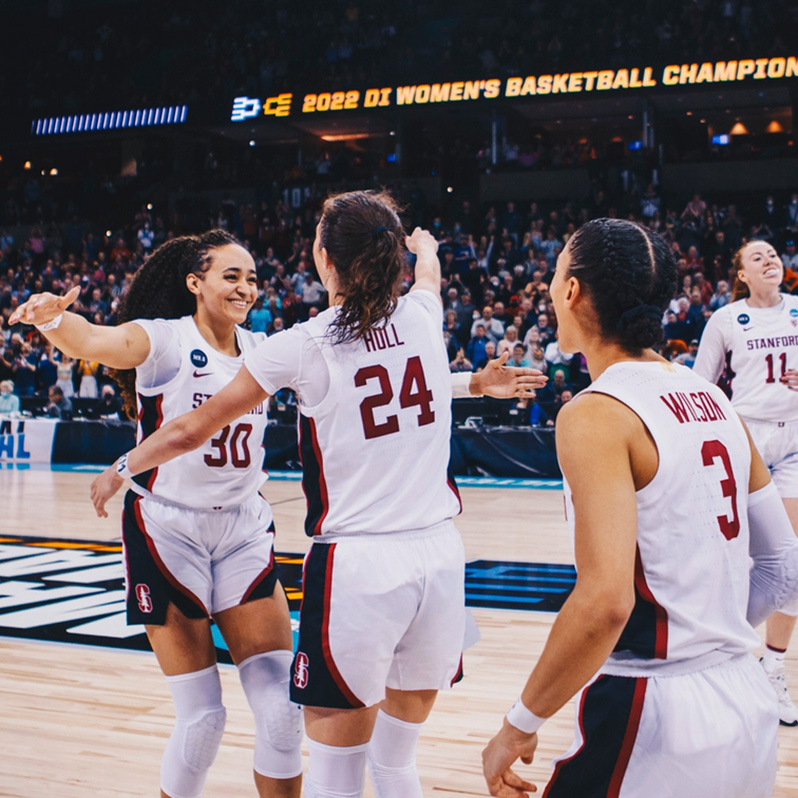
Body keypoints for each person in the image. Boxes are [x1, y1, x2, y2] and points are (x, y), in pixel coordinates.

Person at [86, 191, 543, 798]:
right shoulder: (424, 313)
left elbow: (194, 427)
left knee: (336, 768)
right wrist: (428, 255)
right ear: (393, 259)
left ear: (323, 259)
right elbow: (424, 299)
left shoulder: (302, 344)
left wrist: (123, 465)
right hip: (438, 557)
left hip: (359, 566)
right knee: (397, 761)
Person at [482, 218, 798, 798]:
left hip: (650, 710)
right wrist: (707, 631)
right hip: (743, 702)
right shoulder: (716, 400)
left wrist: (519, 723)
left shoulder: (595, 412)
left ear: (572, 291)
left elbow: (604, 603)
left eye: (555, 275)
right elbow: (785, 569)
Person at [10, 229, 305, 798]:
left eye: (251, 278)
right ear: (195, 282)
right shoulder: (165, 339)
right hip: (168, 528)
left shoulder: (264, 348)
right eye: (231, 275)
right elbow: (96, 341)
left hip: (244, 528)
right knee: (203, 720)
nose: (245, 287)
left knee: (281, 714)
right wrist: (51, 320)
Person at [693, 238, 798, 726]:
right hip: (746, 441)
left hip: (796, 441)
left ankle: (772, 666)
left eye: (774, 254)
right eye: (758, 257)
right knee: (734, 555)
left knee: (790, 564)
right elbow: (700, 383)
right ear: (742, 275)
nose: (770, 260)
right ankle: (719, 654)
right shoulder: (725, 319)